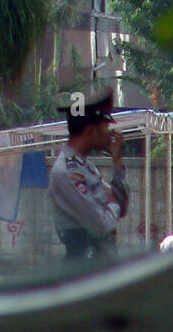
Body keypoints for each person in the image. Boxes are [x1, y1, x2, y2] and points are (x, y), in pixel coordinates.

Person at [48, 83, 128, 265]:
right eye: (105, 127)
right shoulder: (67, 172)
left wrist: (117, 162)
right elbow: (101, 226)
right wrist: (113, 202)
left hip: (99, 265)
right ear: (91, 130)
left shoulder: (85, 166)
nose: (109, 134)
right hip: (83, 269)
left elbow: (121, 206)